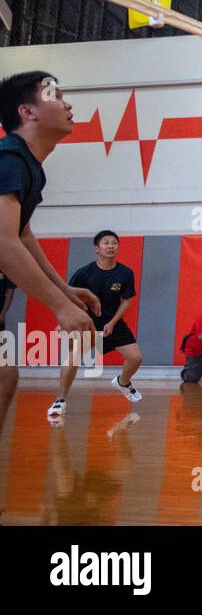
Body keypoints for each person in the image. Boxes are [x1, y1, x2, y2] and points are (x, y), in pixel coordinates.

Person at [0, 72, 98, 437]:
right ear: (28, 111)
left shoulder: (28, 167)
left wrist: (64, 291)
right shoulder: (9, 159)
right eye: (54, 96)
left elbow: (22, 234)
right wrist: (59, 307)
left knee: (4, 377)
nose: (67, 104)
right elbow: (4, 243)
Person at [48, 229, 143, 418]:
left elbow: (126, 301)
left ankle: (123, 382)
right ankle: (60, 400)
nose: (111, 246)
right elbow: (68, 297)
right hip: (87, 323)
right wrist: (64, 322)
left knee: (136, 358)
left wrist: (113, 322)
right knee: (72, 359)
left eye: (114, 243)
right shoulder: (84, 273)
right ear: (97, 248)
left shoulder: (125, 273)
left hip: (112, 323)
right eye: (106, 243)